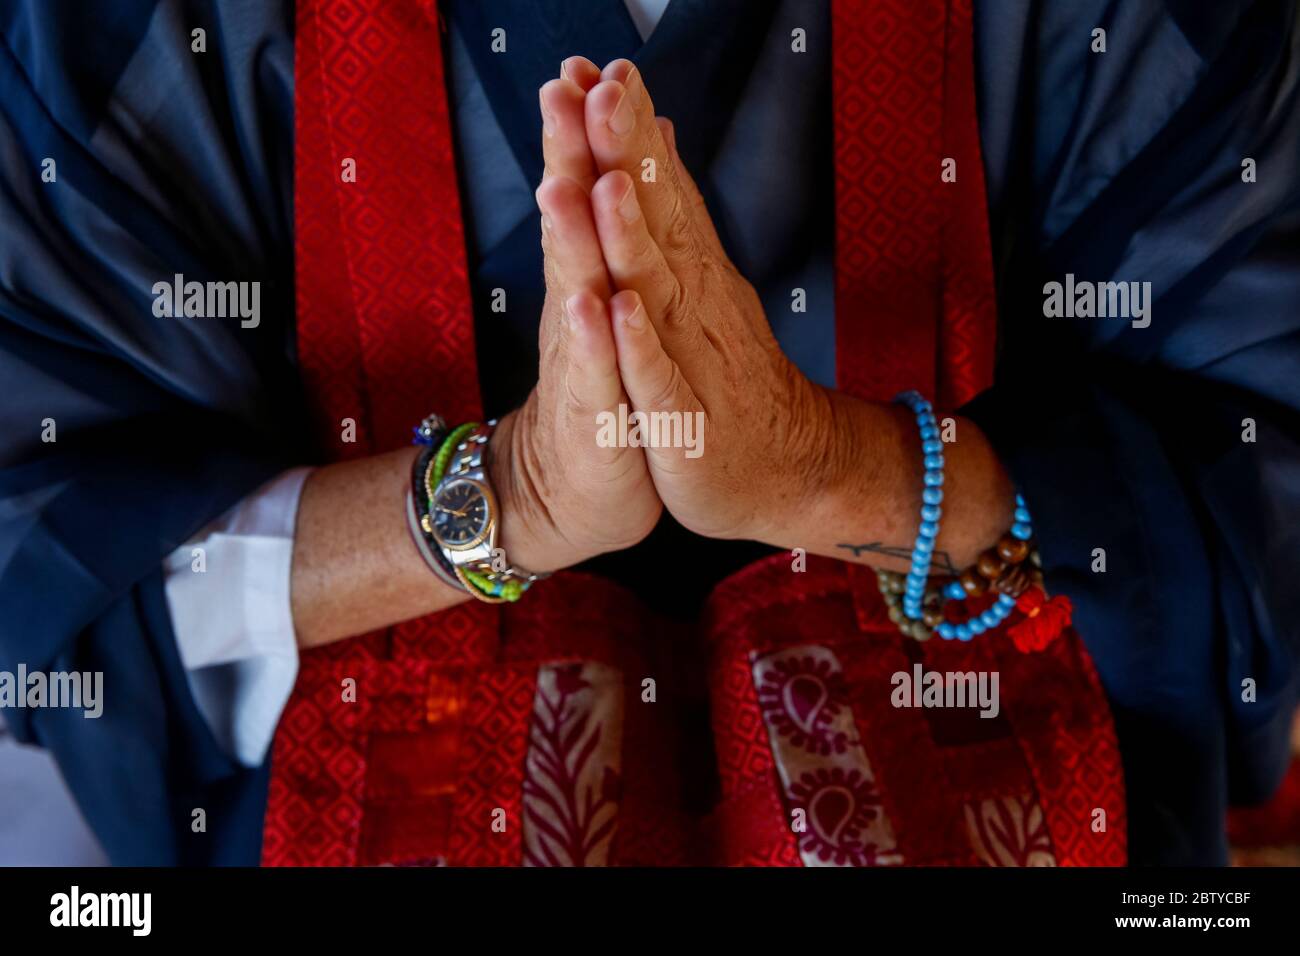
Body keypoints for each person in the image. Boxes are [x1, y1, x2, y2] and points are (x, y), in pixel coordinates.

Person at [1, 0, 1297, 866]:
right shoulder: (121, 34)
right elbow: (57, 579)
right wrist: (500, 502)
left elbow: (1256, 517)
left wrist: (834, 471)